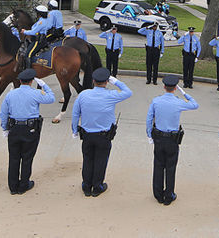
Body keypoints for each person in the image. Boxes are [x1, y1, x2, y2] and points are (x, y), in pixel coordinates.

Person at [71, 68, 132, 197]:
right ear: (106, 82)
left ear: (93, 81)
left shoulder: (83, 95)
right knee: (101, 161)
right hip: (103, 136)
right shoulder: (111, 95)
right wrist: (115, 81)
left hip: (87, 135)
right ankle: (97, 186)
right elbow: (128, 92)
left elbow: (75, 114)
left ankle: (86, 186)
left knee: (87, 159)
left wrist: (74, 130)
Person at [0, 69, 55, 195]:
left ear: (20, 81)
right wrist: (44, 85)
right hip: (30, 129)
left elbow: (3, 113)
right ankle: (24, 184)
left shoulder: (11, 94)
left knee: (14, 158)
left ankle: (13, 186)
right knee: (27, 157)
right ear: (31, 81)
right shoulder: (36, 93)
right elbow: (51, 98)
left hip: (14, 128)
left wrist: (4, 128)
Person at [146, 75, 199, 205]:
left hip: (159, 138)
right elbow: (195, 105)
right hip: (172, 139)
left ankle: (158, 194)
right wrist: (185, 93)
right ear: (175, 88)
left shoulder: (156, 101)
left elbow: (149, 119)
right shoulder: (178, 102)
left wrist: (149, 135)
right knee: (171, 167)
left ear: (164, 87)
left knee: (158, 165)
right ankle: (169, 195)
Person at [20, 5, 51, 70]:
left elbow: (33, 32)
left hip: (38, 41)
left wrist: (24, 31)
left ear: (39, 13)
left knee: (28, 54)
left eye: (37, 13)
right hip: (40, 39)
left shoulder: (41, 22)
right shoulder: (43, 20)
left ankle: (28, 71)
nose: (36, 14)